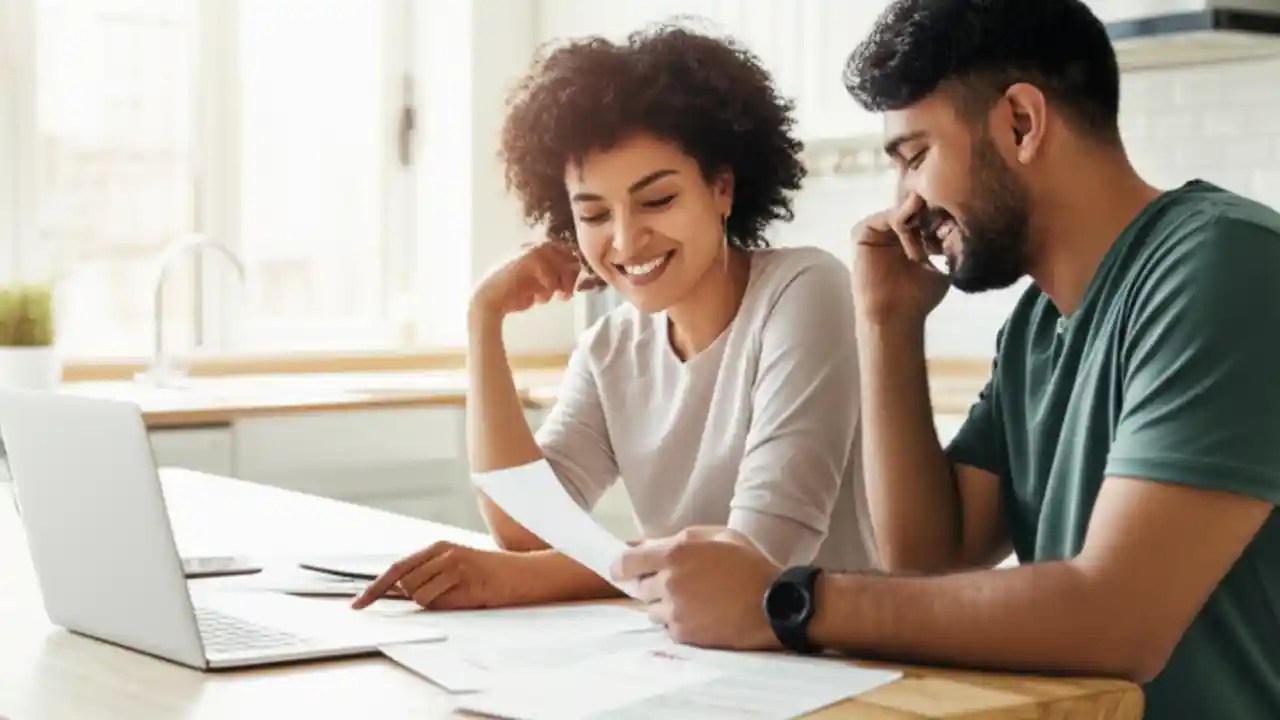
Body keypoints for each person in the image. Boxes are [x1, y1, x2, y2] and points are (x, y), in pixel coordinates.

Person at [613, 2, 1280, 718]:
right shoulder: (1036, 325)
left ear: (1021, 123)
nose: (904, 205)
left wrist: (785, 602)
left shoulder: (1224, 264)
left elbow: (1120, 616)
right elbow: (930, 559)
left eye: (915, 157)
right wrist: (887, 322)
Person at [353, 25, 877, 612]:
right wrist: (484, 320)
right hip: (703, 651)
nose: (626, 240)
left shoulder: (805, 291)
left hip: (837, 658)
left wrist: (516, 580)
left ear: (722, 188)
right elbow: (528, 532)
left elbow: (757, 556)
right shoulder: (610, 348)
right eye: (595, 213)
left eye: (657, 201)